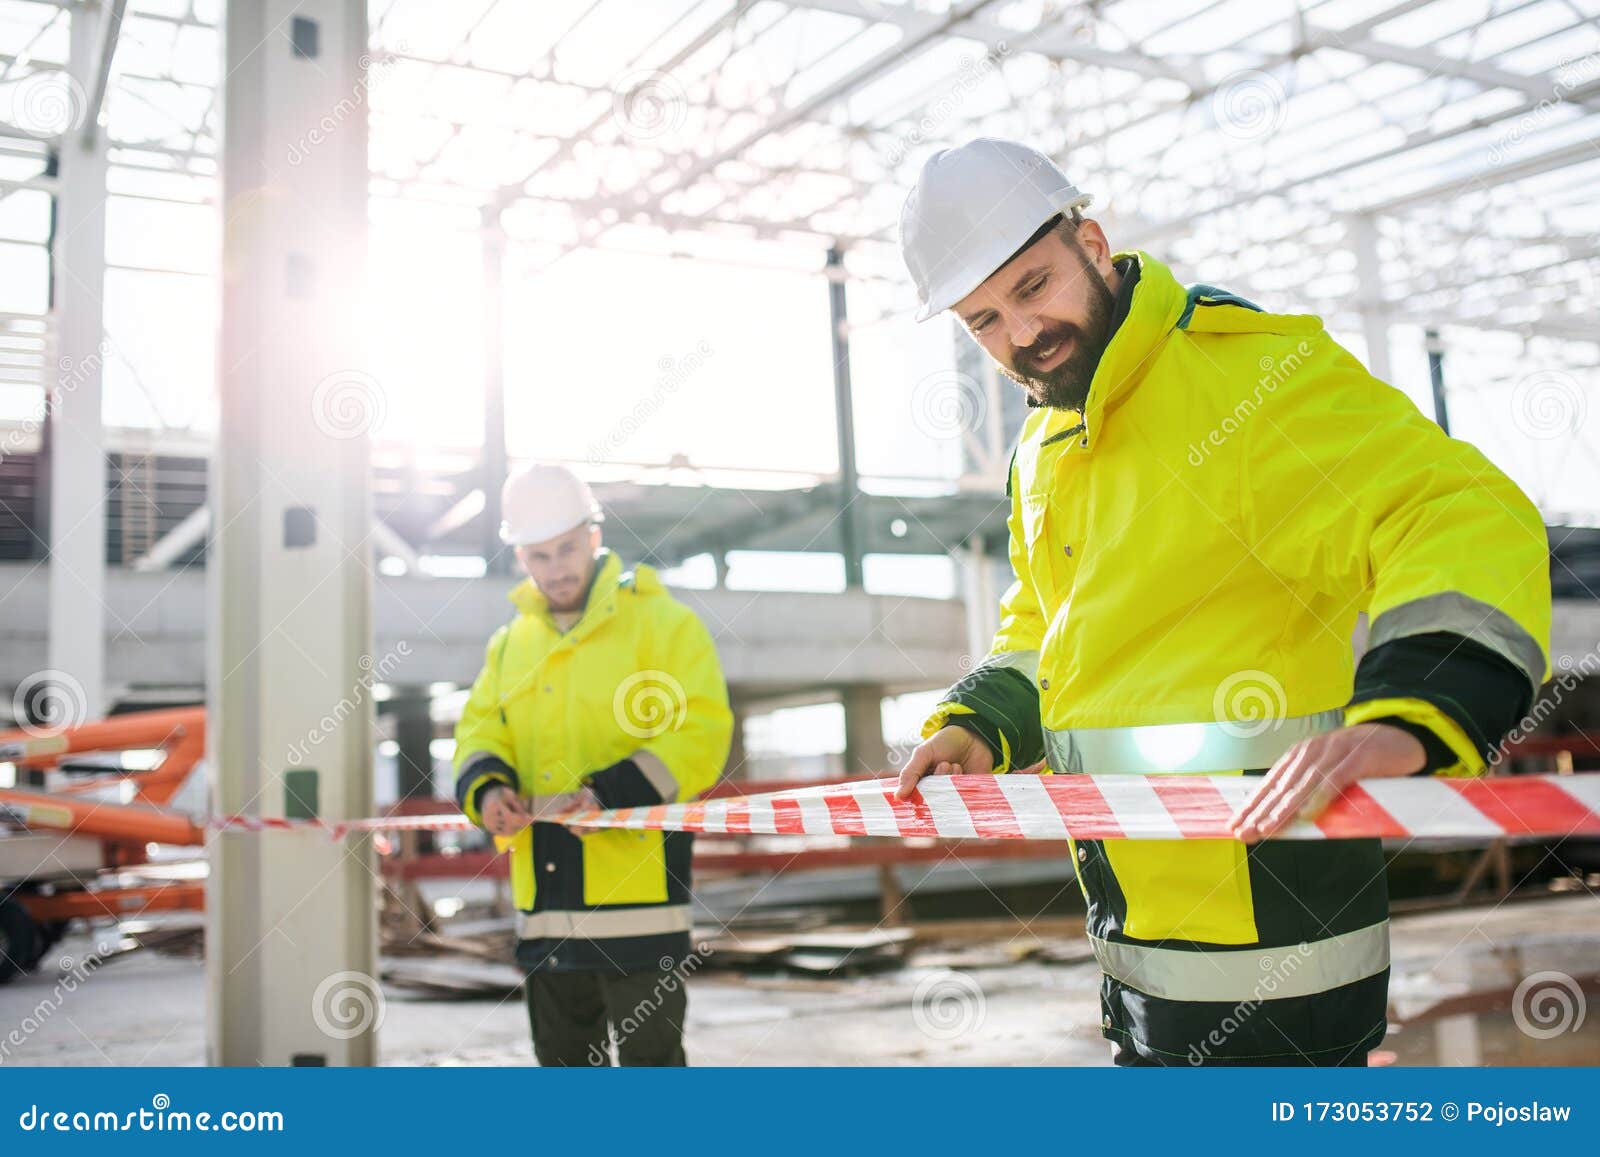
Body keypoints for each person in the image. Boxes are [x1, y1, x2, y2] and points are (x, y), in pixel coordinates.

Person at [894, 138, 1550, 1066]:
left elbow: (1455, 510)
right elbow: (1051, 625)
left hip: (1276, 950)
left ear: (1092, 240)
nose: (1020, 335)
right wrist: (981, 723)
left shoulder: (1248, 380)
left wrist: (1421, 704)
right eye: (983, 320)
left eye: (1034, 287)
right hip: (1136, 944)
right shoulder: (1045, 447)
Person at [453, 463, 733, 1066]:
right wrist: (488, 788)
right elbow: (478, 730)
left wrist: (611, 794)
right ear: (522, 557)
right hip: (547, 913)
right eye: (539, 555)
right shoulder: (509, 646)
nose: (556, 569)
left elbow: (703, 732)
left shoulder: (664, 625)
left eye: (567, 549)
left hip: (640, 910)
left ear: (594, 538)